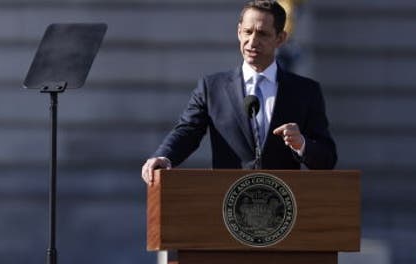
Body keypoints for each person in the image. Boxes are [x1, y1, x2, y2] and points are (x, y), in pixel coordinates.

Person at [140, 0, 336, 183]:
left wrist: (302, 144)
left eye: (262, 34)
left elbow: (327, 159)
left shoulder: (305, 91)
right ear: (238, 32)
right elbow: (187, 131)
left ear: (280, 38)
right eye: (247, 32)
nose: (252, 41)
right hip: (227, 199)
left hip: (283, 202)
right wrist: (164, 156)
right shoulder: (212, 88)